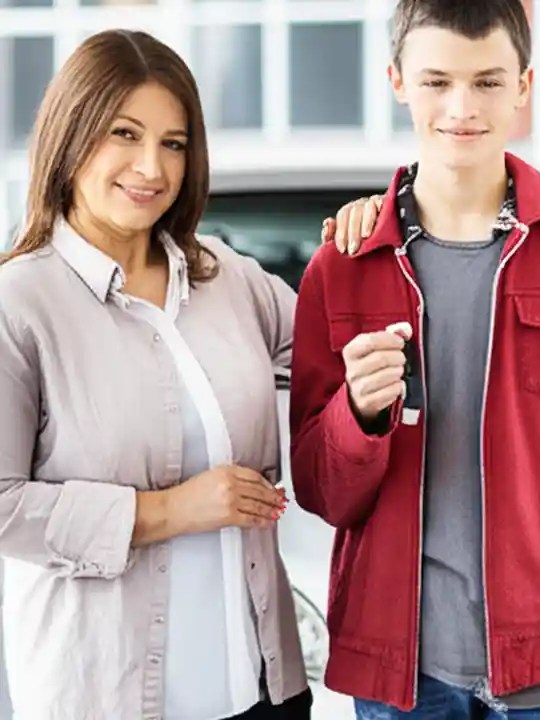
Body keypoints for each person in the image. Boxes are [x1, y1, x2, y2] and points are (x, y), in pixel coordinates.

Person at [289, 1, 540, 719]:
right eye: (436, 82)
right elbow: (320, 492)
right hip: (402, 679)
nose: (461, 108)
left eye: (488, 82)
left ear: (525, 85)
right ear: (397, 81)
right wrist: (358, 416)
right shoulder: (343, 267)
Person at [0, 29, 362, 720]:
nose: (151, 167)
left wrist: (366, 240)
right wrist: (168, 510)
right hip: (102, 697)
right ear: (71, 134)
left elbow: (345, 354)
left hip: (261, 692)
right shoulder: (19, 304)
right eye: (125, 134)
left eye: (174, 142)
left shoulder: (229, 277)